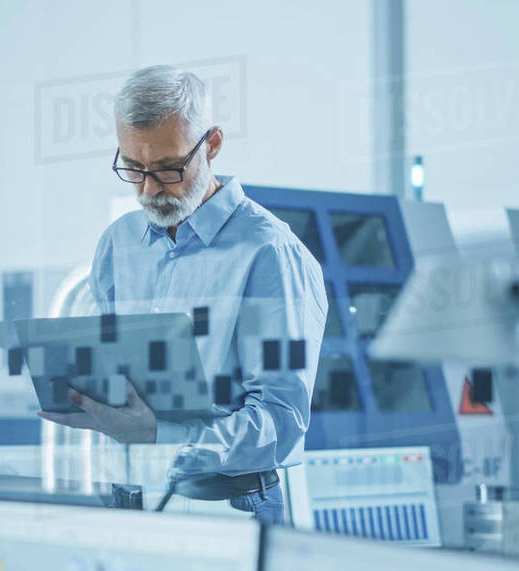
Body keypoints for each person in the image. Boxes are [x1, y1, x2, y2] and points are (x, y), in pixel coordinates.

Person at [38, 66, 328, 524]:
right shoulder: (120, 244)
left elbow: (281, 422)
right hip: (131, 499)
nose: (150, 190)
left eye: (169, 169)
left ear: (211, 145)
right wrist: (91, 398)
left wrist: (162, 435)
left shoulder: (269, 254)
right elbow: (119, 371)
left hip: (226, 506)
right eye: (133, 169)